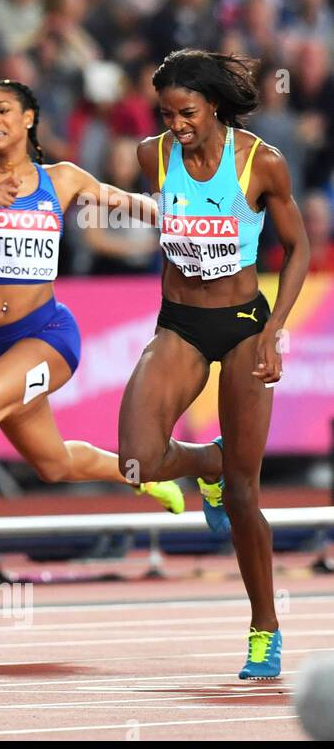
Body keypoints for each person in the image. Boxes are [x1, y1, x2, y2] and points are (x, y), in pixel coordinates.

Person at [0, 80, 185, 608]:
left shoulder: (61, 179)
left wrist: (198, 215)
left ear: (30, 118)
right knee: (53, 464)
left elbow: (134, 205)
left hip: (47, 336)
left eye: (4, 110)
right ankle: (144, 472)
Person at [122, 50, 311, 679]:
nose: (176, 124)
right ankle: (208, 463)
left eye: (188, 113)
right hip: (178, 321)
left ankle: (265, 626)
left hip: (239, 327)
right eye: (167, 113)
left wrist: (275, 330)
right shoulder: (153, 156)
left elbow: (298, 246)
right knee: (138, 461)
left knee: (246, 491)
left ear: (215, 107)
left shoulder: (262, 163)